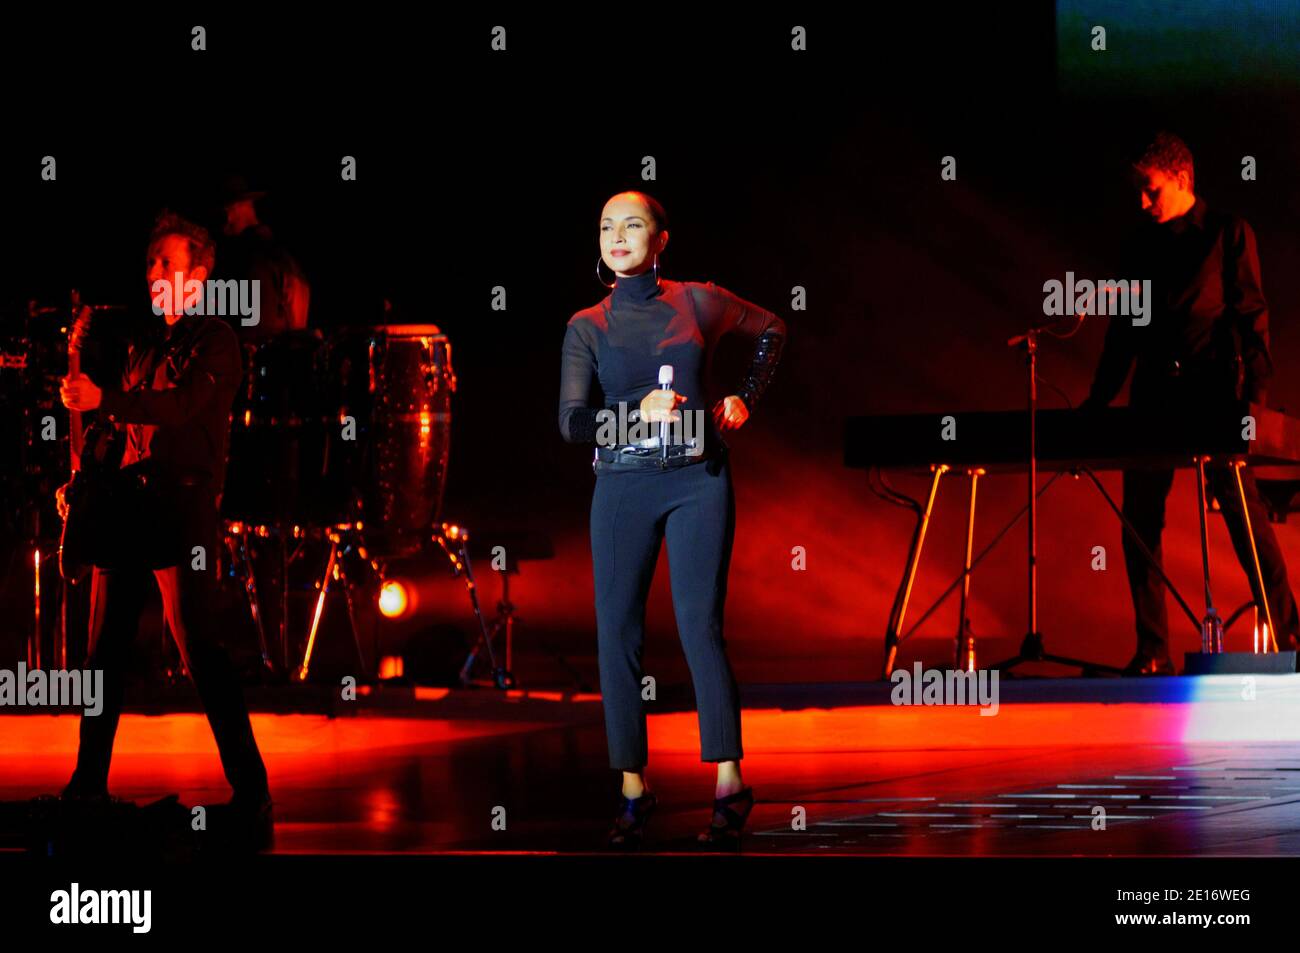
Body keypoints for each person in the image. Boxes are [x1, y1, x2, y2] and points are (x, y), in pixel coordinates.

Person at [558, 191, 786, 849]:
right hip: (623, 487)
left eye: (632, 225)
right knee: (618, 633)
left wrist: (746, 395)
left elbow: (774, 329)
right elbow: (573, 423)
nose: (617, 236)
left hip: (697, 480)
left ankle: (729, 780)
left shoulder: (697, 301)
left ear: (662, 238)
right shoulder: (587, 324)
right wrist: (635, 416)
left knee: (700, 625)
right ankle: (633, 785)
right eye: (606, 226)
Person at [57, 210, 273, 844]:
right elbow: (124, 428)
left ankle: (252, 789)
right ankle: (87, 784)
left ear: (200, 276)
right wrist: (83, 470)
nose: (154, 273)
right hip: (128, 505)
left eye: (167, 264)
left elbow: (177, 410)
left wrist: (107, 400)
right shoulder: (143, 341)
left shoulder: (217, 342)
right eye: (150, 263)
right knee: (101, 657)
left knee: (199, 648)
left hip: (181, 511)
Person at [1081, 131, 1300, 674]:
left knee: (1243, 515)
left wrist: (1254, 404)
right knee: (1139, 521)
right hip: (1153, 393)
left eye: (1151, 190)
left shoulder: (1227, 233)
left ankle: (1290, 636)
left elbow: (1253, 321)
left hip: (1212, 394)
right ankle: (1151, 649)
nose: (1142, 202)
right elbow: (1122, 337)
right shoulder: (1138, 248)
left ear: (1181, 181)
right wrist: (1097, 403)